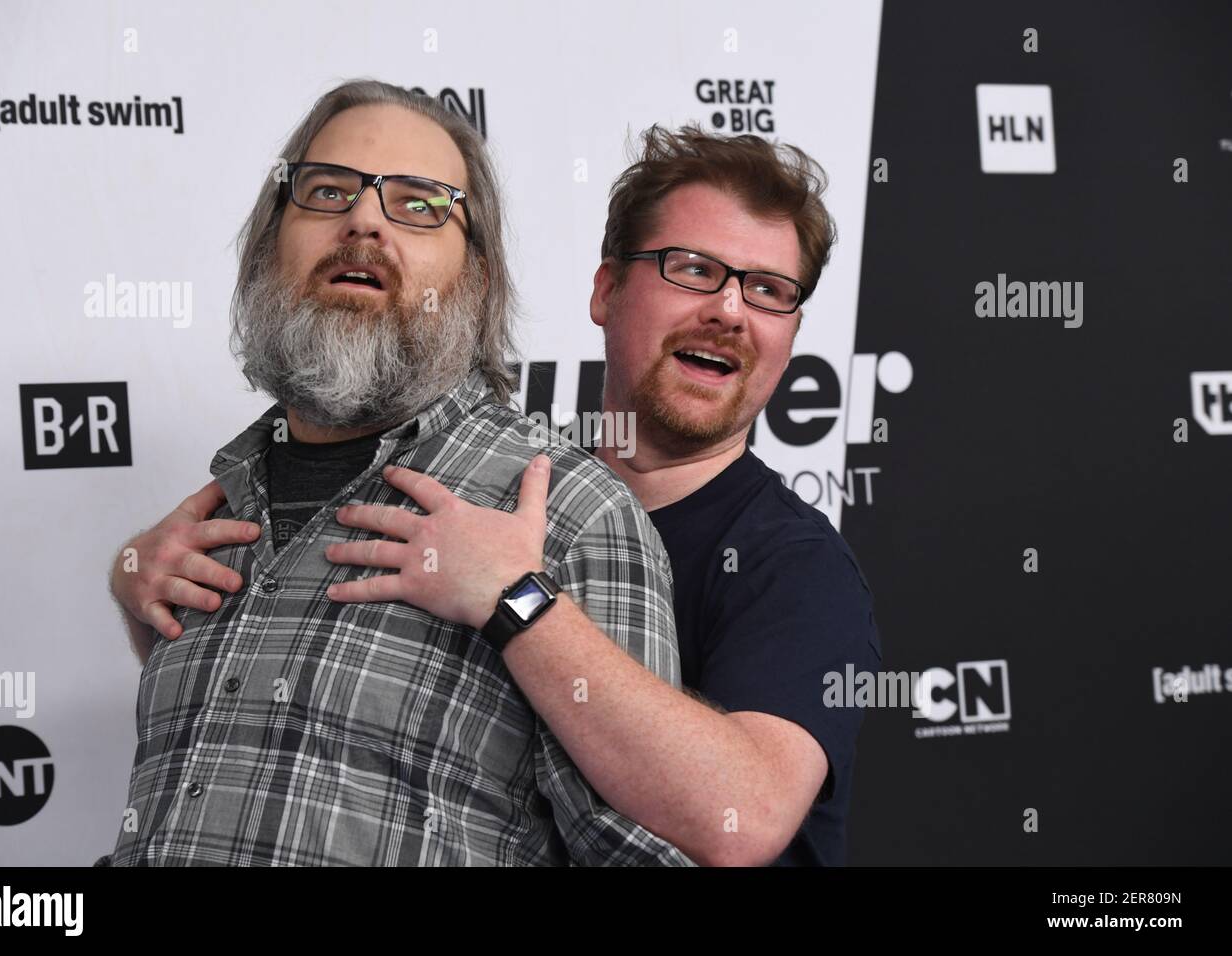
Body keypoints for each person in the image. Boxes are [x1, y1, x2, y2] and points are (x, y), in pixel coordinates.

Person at [106, 79, 691, 867]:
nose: (363, 220)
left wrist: (518, 602)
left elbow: (654, 854)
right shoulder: (213, 514)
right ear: (265, 246)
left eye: (419, 205)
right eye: (326, 191)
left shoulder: (567, 513)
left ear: (477, 279)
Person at [326, 128, 883, 865]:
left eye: (769, 290)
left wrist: (515, 597)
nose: (730, 310)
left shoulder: (798, 568)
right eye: (691, 268)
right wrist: (157, 588)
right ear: (606, 290)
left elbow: (740, 816)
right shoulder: (483, 494)